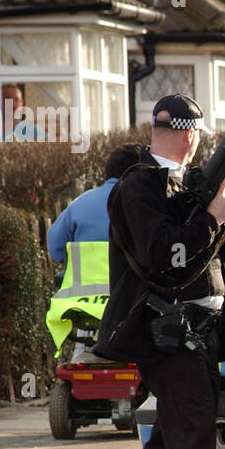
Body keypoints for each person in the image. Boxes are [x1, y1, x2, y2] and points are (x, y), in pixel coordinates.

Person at [88, 93, 225, 449]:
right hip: (168, 334)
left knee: (172, 442)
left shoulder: (183, 183)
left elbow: (221, 258)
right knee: (196, 443)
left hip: (197, 333)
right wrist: (211, 219)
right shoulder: (138, 187)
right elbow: (164, 256)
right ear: (189, 134)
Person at [44, 144, 142, 361]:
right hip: (132, 303)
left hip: (83, 303)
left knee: (83, 349)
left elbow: (55, 248)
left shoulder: (79, 204)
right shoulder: (144, 206)